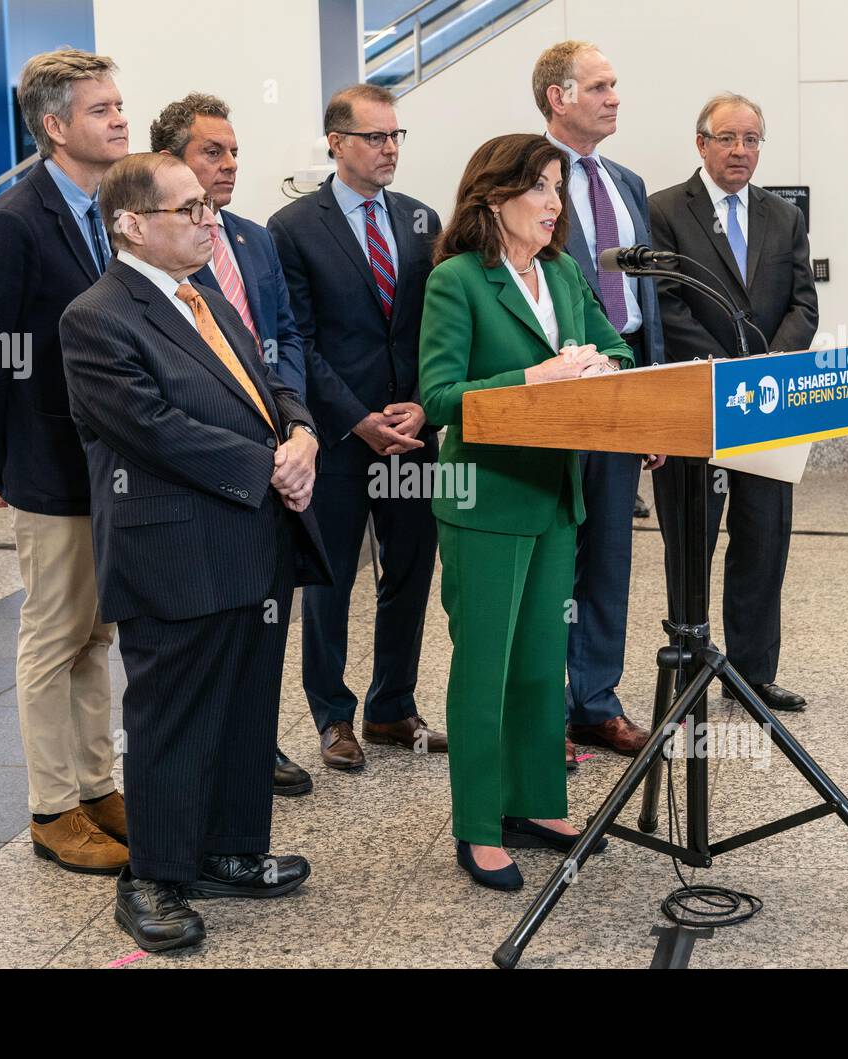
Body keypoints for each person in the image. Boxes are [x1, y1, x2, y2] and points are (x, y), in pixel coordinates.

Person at [60, 152, 331, 951]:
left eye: (207, 209)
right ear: (132, 225)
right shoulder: (96, 316)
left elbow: (268, 380)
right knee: (173, 716)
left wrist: (305, 431)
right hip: (173, 547)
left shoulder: (205, 292)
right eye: (190, 211)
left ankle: (226, 851)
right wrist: (271, 465)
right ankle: (153, 876)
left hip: (251, 534)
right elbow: (153, 429)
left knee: (247, 707)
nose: (210, 219)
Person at [419, 133, 632, 890]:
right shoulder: (457, 280)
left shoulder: (565, 272)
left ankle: (535, 802)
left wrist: (600, 365)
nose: (553, 203)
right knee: (486, 666)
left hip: (555, 495)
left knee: (543, 662)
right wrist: (534, 375)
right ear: (495, 198)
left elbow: (620, 352)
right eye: (539, 188)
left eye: (558, 189)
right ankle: (479, 822)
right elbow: (439, 397)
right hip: (486, 496)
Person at [0, 48, 130, 874]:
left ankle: (99, 784)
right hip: (50, 462)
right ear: (55, 126)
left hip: (108, 461)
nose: (120, 119)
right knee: (54, 635)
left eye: (119, 105)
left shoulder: (107, 210)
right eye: (101, 109)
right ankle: (52, 808)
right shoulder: (13, 221)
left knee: (96, 633)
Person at [269, 84, 447, 770]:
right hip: (339, 437)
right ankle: (333, 716)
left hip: (411, 431)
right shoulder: (292, 228)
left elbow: (438, 327)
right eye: (375, 137)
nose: (390, 148)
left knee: (407, 571)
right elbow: (298, 341)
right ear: (336, 142)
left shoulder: (422, 219)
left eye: (396, 136)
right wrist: (357, 418)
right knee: (330, 580)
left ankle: (392, 708)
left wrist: (424, 407)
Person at [150, 91, 312, 797]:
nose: (229, 164)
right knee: (213, 621)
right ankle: (216, 753)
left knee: (268, 612)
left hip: (280, 447)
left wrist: (298, 425)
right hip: (213, 464)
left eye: (234, 151)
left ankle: (257, 739)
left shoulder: (251, 235)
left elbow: (284, 334)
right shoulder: (161, 258)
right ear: (171, 161)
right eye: (212, 151)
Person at [648, 92, 818, 713]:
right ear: (701, 143)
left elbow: (803, 302)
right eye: (727, 138)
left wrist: (769, 365)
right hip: (697, 398)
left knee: (763, 536)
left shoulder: (782, 216)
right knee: (692, 539)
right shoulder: (663, 209)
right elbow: (662, 304)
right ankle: (691, 669)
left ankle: (752, 673)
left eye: (751, 140)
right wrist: (729, 370)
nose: (740, 151)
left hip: (769, 405)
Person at [534, 39, 666, 766]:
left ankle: (597, 702)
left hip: (624, 390)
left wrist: (652, 397)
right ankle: (541, 709)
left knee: (610, 556)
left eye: (616, 86)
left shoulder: (627, 181)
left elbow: (647, 300)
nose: (615, 98)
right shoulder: (522, 174)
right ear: (559, 96)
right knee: (556, 560)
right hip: (558, 395)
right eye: (601, 86)